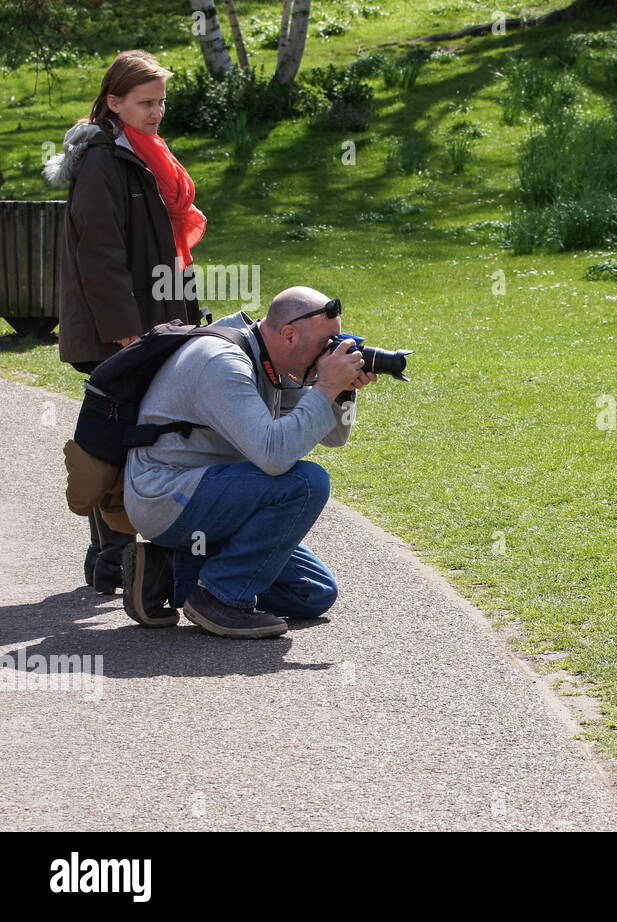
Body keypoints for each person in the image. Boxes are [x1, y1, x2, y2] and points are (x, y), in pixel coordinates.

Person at [123, 287, 376, 638]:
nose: (332, 354)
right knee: (306, 483)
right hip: (165, 496)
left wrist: (342, 389)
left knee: (312, 592)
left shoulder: (272, 360)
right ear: (289, 335)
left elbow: (333, 437)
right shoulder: (222, 362)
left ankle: (172, 569)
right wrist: (326, 387)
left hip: (213, 496)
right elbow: (273, 457)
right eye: (327, 345)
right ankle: (218, 597)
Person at [44, 49, 207, 594]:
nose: (157, 111)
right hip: (122, 329)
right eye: (145, 103)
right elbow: (100, 255)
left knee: (140, 436)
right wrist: (127, 334)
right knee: (116, 440)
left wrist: (184, 317)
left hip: (156, 319)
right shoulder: (102, 160)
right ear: (114, 102)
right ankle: (110, 560)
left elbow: (163, 244)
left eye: (161, 102)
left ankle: (118, 559)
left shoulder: (144, 151)